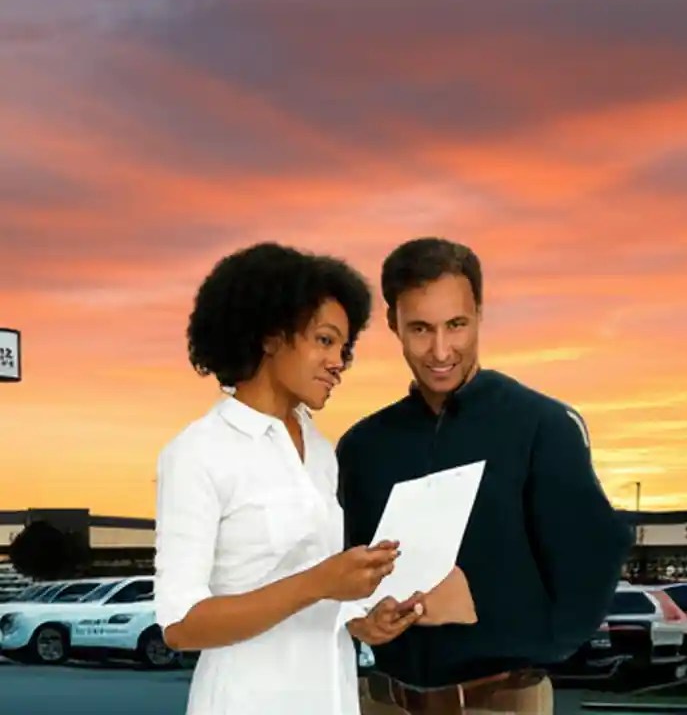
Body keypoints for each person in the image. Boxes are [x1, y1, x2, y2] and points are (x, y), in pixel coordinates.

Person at [336, 237, 633, 714]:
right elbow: (342, 571)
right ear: (393, 324)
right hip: (381, 702)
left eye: (456, 325)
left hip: (501, 702)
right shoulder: (362, 447)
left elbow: (591, 567)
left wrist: (483, 612)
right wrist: (357, 620)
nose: (440, 350)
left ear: (479, 312)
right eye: (420, 328)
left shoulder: (543, 426)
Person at [154, 242, 427, 715]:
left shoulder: (321, 450)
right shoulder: (198, 453)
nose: (338, 361)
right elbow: (181, 624)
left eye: (344, 347)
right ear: (270, 335)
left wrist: (361, 618)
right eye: (324, 340)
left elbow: (319, 587)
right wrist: (319, 582)